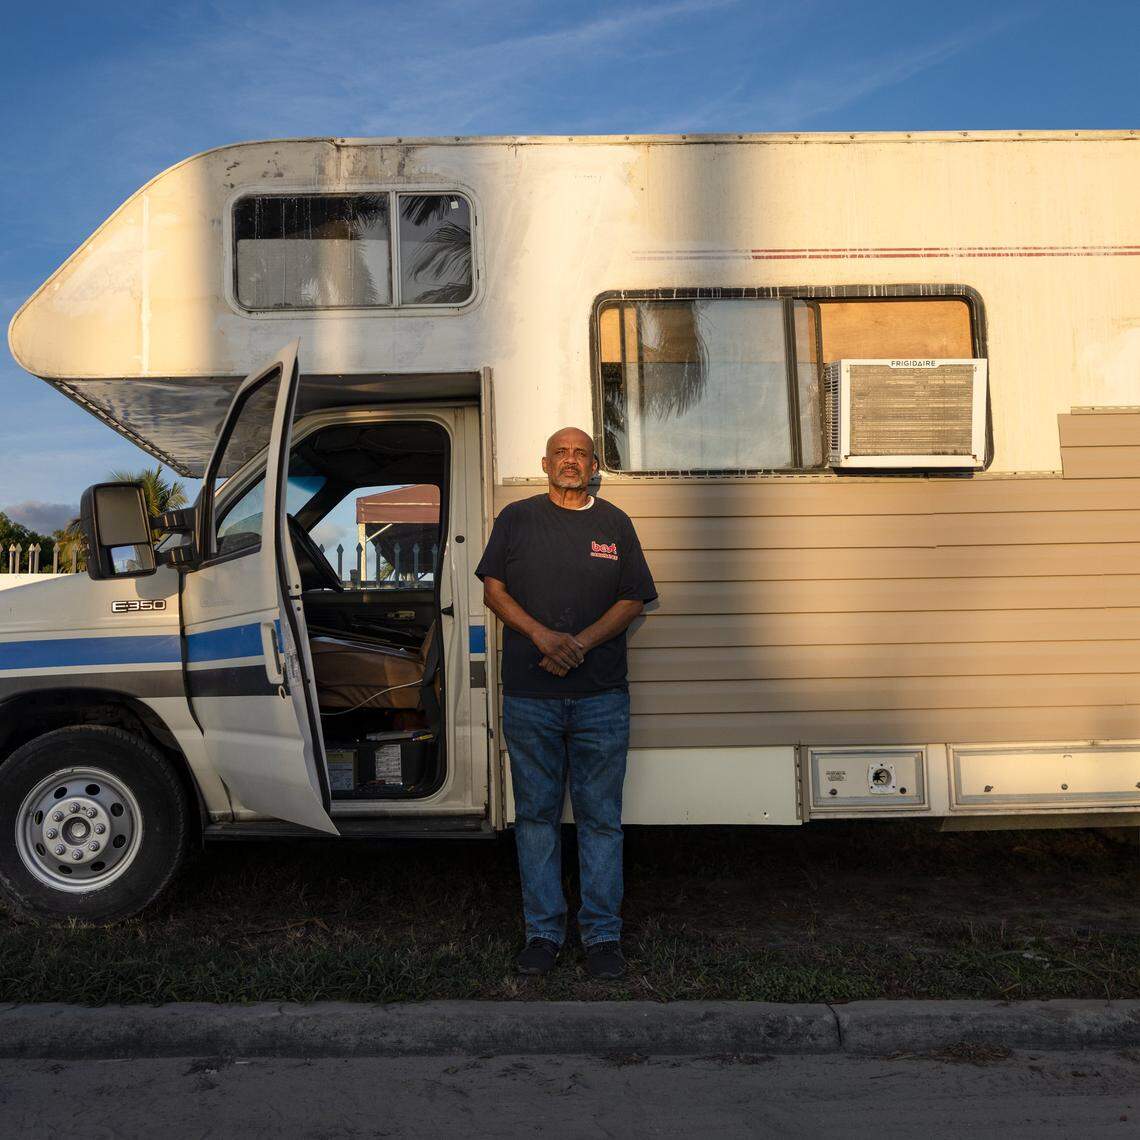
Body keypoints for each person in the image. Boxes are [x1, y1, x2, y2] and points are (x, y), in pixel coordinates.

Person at [476, 426, 657, 980]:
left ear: (595, 464)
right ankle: (543, 934)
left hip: (601, 697)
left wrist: (577, 644)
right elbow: (493, 590)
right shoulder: (517, 518)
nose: (571, 461)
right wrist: (542, 637)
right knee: (536, 818)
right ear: (545, 461)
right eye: (561, 452)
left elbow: (633, 599)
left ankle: (603, 937)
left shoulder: (615, 523)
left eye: (580, 453)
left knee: (601, 820)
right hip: (531, 698)